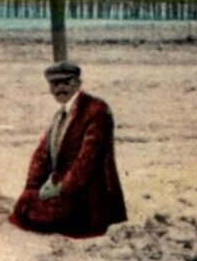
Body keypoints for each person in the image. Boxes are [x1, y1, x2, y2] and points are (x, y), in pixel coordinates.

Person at [9, 60, 127, 239]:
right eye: (55, 84)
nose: (60, 88)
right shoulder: (60, 116)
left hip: (90, 199)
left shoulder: (96, 110)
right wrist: (32, 187)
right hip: (65, 191)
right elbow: (42, 155)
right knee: (25, 206)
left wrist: (60, 188)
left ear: (78, 83)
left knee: (34, 216)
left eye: (66, 82)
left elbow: (86, 161)